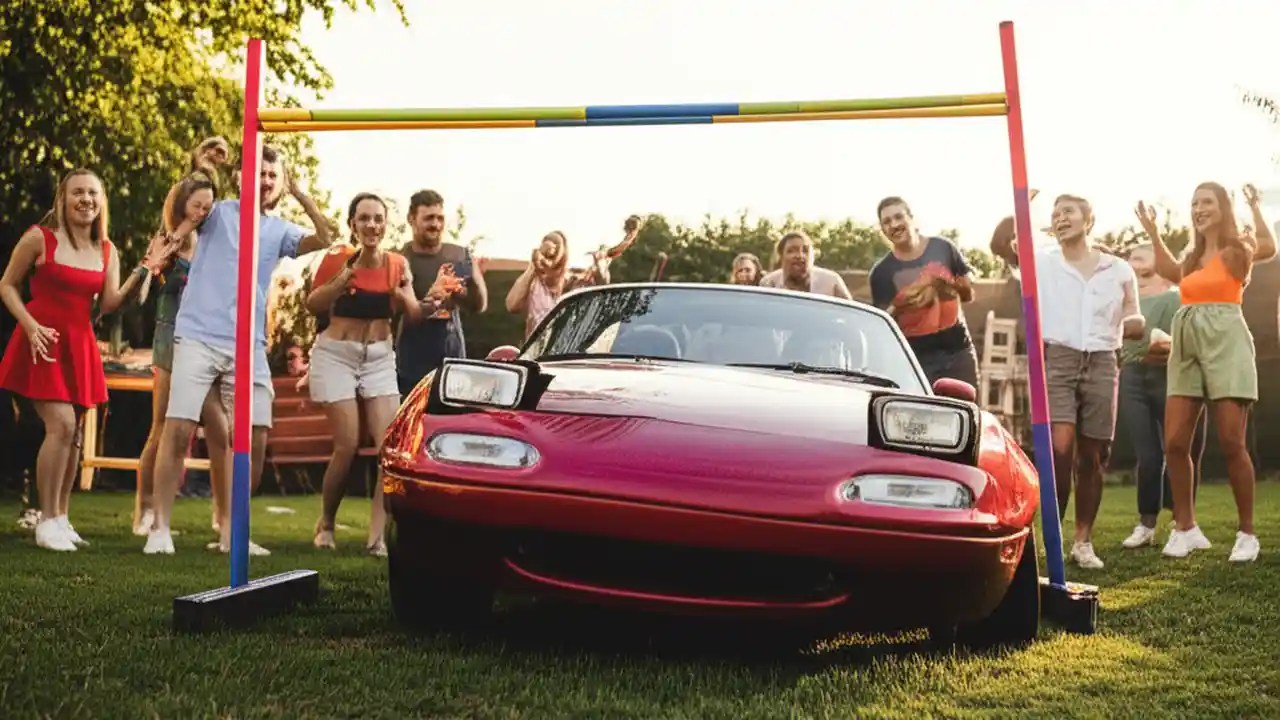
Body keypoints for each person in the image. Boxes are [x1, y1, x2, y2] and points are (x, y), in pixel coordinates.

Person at [144, 145, 333, 556]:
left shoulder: (280, 230)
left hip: (246, 344)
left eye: (272, 175)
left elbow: (327, 238)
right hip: (197, 334)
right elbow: (182, 208)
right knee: (178, 428)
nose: (264, 180)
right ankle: (160, 527)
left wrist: (301, 194)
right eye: (258, 172)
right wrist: (198, 166)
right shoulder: (218, 213)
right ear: (243, 176)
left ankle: (232, 530)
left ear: (279, 182)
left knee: (256, 436)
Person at [0, 169, 170, 550]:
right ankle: (45, 521)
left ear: (101, 201)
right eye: (78, 192)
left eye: (93, 193)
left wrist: (146, 267)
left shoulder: (107, 250)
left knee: (75, 433)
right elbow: (6, 285)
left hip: (80, 345)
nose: (86, 199)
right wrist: (29, 325)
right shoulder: (39, 239)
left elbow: (110, 303)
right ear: (63, 198)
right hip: (43, 341)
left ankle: (61, 518)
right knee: (59, 425)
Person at [990, 193, 1144, 570]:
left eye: (1069, 212)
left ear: (1088, 220)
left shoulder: (1119, 269)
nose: (1061, 218)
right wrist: (1021, 209)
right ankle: (1052, 539)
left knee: (1093, 455)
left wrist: (1133, 326)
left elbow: (1133, 316)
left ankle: (1083, 541)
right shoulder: (1041, 261)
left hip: (1104, 360)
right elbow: (1004, 246)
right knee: (1059, 449)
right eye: (1056, 214)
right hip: (1057, 359)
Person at [1135, 182, 1275, 562]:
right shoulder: (1192, 257)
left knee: (1232, 441)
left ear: (1222, 207)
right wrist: (1153, 233)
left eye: (1207, 202)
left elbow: (1270, 246)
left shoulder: (1237, 250)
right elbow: (1167, 269)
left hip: (1225, 339)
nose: (1199, 208)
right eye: (1194, 203)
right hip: (1187, 342)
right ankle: (1187, 528)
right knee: (1176, 442)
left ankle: (1247, 534)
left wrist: (1257, 207)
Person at [305, 193, 426, 556]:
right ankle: (326, 521)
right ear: (353, 224)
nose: (372, 225)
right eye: (364, 219)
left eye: (378, 219)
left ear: (387, 224)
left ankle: (376, 538)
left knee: (389, 446)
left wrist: (407, 298)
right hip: (336, 355)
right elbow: (312, 304)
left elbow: (415, 317)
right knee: (347, 444)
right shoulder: (335, 259)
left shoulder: (397, 264)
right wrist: (340, 282)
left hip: (378, 357)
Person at [132, 174, 232, 538]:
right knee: (162, 427)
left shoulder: (214, 242)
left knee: (220, 429)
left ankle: (224, 517)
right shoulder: (168, 240)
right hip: (172, 337)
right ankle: (144, 510)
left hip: (204, 340)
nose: (204, 212)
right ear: (181, 204)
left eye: (209, 206)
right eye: (197, 205)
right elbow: (145, 286)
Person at [1117, 243, 1207, 549]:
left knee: (1178, 451)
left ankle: (1181, 523)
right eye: (1130, 258)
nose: (1133, 260)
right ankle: (1146, 523)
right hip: (1131, 377)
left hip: (1170, 376)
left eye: (1141, 255)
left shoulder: (1177, 295)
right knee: (1148, 455)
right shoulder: (1124, 298)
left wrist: (1169, 347)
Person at [869, 196, 979, 386]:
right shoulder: (881, 273)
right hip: (916, 362)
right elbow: (884, 328)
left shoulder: (944, 248)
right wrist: (899, 304)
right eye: (886, 222)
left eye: (899, 217)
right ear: (882, 229)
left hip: (959, 353)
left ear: (912, 218)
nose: (894, 225)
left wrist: (948, 285)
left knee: (967, 412)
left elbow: (968, 295)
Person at [394, 190, 486, 397]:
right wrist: (433, 295)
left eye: (440, 218)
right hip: (412, 364)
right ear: (411, 219)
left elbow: (478, 306)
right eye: (428, 218)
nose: (435, 224)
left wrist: (473, 281)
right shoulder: (399, 260)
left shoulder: (459, 255)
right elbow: (398, 312)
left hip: (453, 360)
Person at [507, 230, 569, 339]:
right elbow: (512, 305)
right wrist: (533, 268)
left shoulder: (572, 282)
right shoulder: (534, 284)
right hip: (536, 352)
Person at [758, 231, 853, 299]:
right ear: (781, 257)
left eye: (805, 251)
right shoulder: (768, 283)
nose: (800, 256)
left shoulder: (831, 282)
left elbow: (850, 315)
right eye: (792, 250)